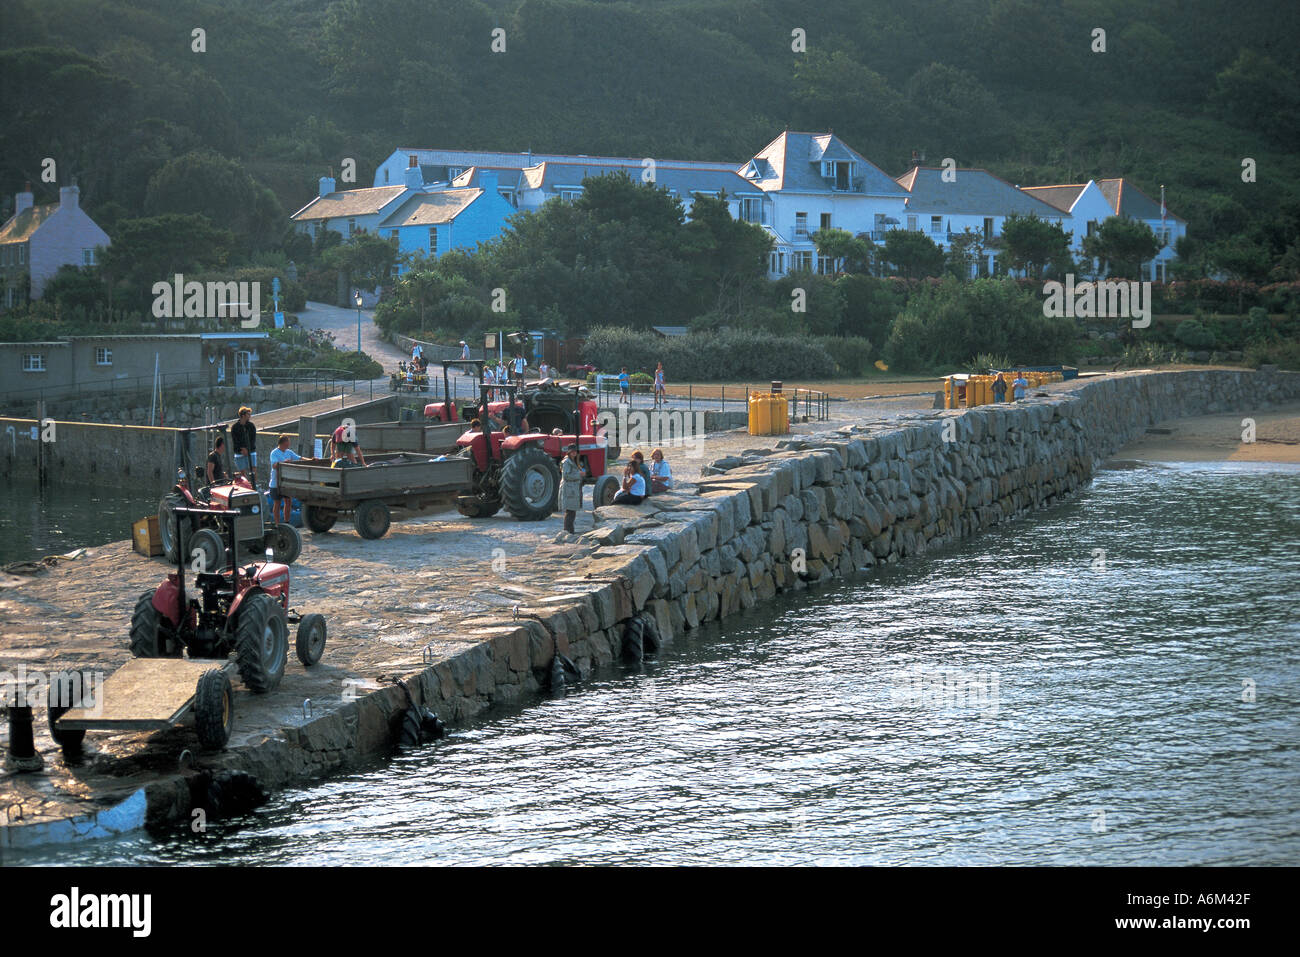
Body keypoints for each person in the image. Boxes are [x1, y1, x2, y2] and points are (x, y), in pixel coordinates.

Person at [268, 434, 301, 521]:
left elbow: (299, 458)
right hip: (276, 483)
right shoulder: (274, 453)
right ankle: (277, 524)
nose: (289, 444)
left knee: (288, 502)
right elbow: (274, 465)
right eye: (288, 442)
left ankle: (287, 522)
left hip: (286, 483)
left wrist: (311, 460)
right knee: (277, 503)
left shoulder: (289, 452)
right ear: (283, 443)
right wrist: (284, 462)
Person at [559, 443, 585, 533]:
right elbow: (566, 476)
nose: (574, 453)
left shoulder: (572, 461)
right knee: (570, 511)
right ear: (569, 452)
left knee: (572, 511)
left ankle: (569, 530)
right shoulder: (567, 462)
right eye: (572, 451)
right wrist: (579, 474)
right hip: (569, 489)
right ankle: (568, 531)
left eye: (575, 451)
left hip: (572, 488)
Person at [230, 406, 258, 482]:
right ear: (243, 415)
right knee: (242, 473)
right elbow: (235, 441)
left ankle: (255, 485)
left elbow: (253, 440)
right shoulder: (235, 427)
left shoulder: (251, 426)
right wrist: (241, 449)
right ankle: (245, 486)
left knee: (253, 469)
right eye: (248, 414)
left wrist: (248, 450)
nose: (250, 416)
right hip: (239, 452)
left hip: (251, 451)